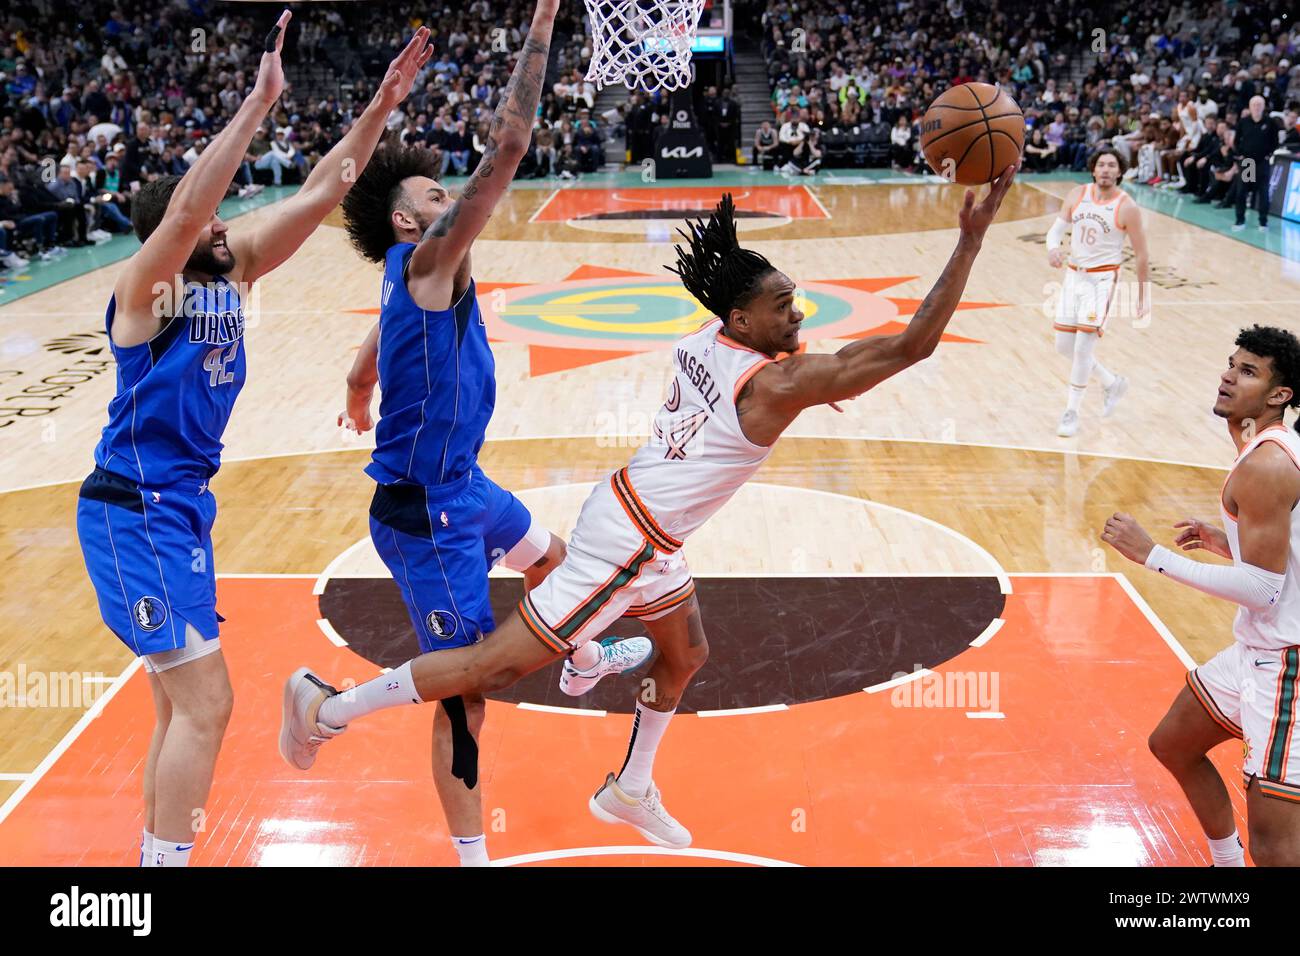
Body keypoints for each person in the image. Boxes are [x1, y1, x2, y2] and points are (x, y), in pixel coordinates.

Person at [281, 168, 1018, 848]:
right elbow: (914, 345)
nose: (799, 315)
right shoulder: (773, 387)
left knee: (686, 652)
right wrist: (971, 239)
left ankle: (630, 787)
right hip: (625, 549)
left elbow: (778, 344)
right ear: (742, 317)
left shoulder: (710, 337)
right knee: (483, 671)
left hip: (641, 525)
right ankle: (329, 710)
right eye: (783, 306)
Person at [73, 14, 433, 868]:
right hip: (134, 512)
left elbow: (321, 189)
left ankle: (153, 863)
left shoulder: (231, 268)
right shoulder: (145, 294)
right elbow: (195, 199)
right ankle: (163, 872)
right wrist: (257, 103)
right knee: (209, 703)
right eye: (211, 215)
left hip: (181, 512)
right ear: (176, 231)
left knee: (177, 707)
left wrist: (382, 102)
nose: (229, 219)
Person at [323, 0, 649, 868]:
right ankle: (459, 843)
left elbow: (377, 340)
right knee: (466, 692)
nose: (453, 199)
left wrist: (360, 385)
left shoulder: (420, 277)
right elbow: (507, 147)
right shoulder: (428, 262)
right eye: (436, 196)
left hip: (463, 483)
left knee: (560, 564)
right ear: (408, 224)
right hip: (422, 514)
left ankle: (581, 658)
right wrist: (543, 17)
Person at [1102, 325, 1300, 866]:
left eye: (1248, 371)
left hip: (1288, 667)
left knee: (1278, 849)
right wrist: (1227, 542)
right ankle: (1226, 865)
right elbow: (1281, 553)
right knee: (1174, 743)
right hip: (1258, 652)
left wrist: (1153, 556)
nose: (1228, 375)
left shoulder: (1266, 463)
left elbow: (1263, 590)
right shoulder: (1264, 448)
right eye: (1231, 364)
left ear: (1280, 396)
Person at [1044, 147, 1149, 438]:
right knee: (1063, 346)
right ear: (1093, 169)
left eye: (1111, 165)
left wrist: (1143, 297)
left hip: (1102, 281)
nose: (1105, 169)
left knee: (1082, 349)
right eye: (1101, 164)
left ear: (1119, 171)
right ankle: (1111, 382)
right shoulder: (1077, 195)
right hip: (1073, 277)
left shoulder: (1127, 207)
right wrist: (1053, 250)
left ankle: (1071, 413)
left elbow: (1141, 255)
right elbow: (1054, 232)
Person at [1232, 96, 1280, 231]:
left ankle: (1263, 222)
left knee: (1263, 192)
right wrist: (1240, 153)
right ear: (1250, 106)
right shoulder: (1244, 122)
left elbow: (1275, 142)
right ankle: (1240, 220)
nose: (1257, 107)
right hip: (1247, 162)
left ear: (1263, 107)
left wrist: (1268, 155)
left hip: (1262, 162)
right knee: (1242, 192)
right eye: (1254, 105)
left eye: (1259, 105)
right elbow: (1237, 140)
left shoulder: (1270, 123)